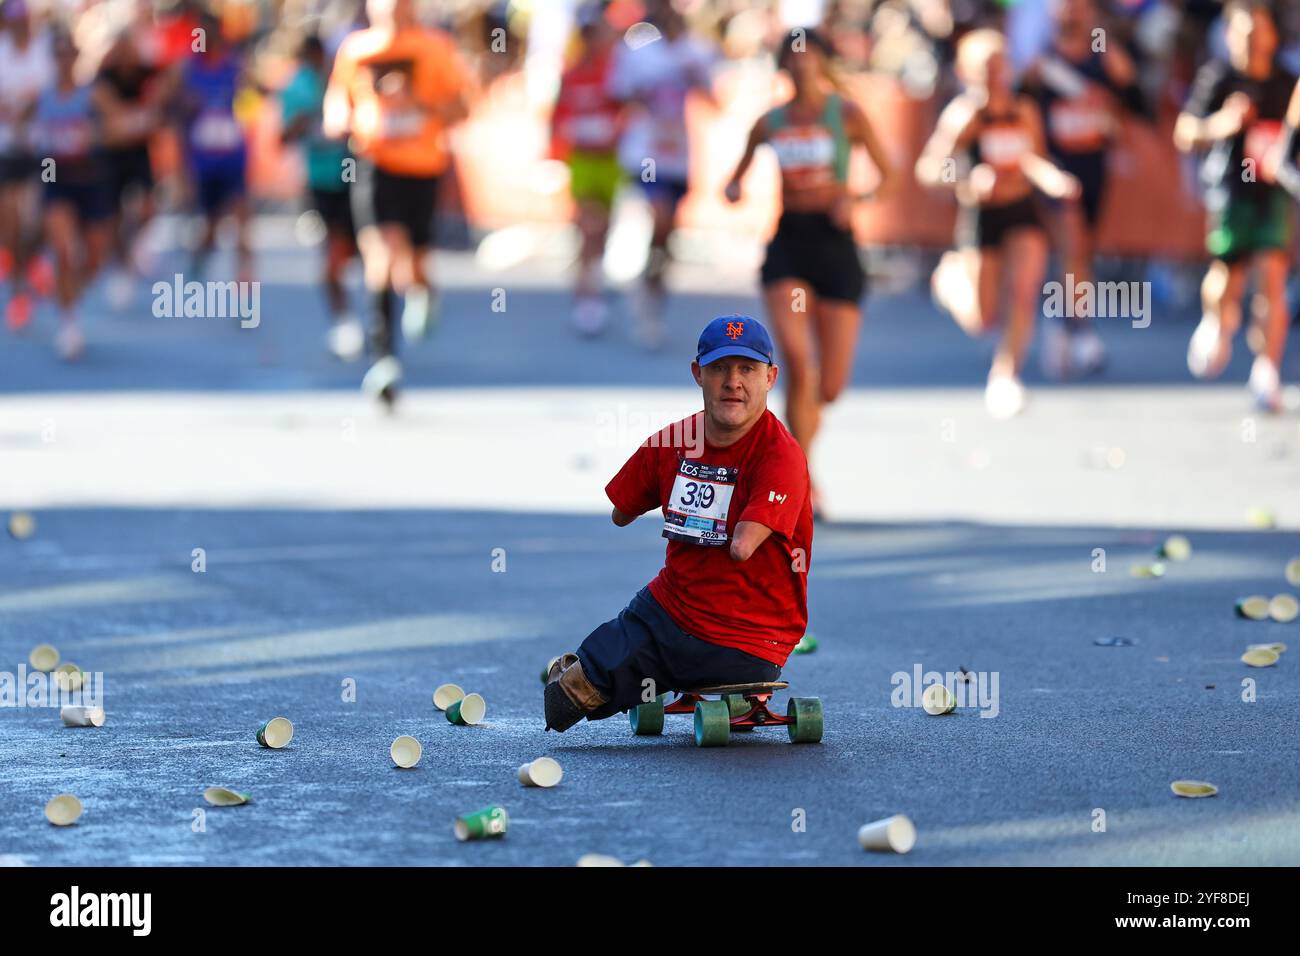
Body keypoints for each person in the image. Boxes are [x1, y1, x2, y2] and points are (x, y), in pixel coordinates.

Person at [544, 314, 813, 732]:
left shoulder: (780, 455)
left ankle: (661, 678)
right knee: (561, 701)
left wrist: (695, 489)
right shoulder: (674, 441)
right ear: (697, 374)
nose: (733, 381)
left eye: (747, 369)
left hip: (741, 639)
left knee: (571, 689)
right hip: (694, 629)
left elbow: (742, 547)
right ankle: (672, 679)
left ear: (770, 377)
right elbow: (621, 511)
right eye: (719, 369)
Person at [723, 29, 898, 518]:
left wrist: (855, 198)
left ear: (822, 60)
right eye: (792, 58)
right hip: (789, 245)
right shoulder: (770, 122)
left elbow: (890, 175)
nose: (801, 65)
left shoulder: (846, 114)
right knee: (798, 363)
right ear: (782, 66)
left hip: (836, 247)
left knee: (830, 386)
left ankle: (793, 460)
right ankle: (802, 478)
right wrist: (734, 187)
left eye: (809, 55)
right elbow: (734, 177)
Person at [916, 28, 1080, 419]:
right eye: (986, 67)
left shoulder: (1024, 110)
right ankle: (947, 277)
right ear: (969, 72)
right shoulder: (965, 115)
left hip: (1021, 211)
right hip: (983, 216)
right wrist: (967, 180)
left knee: (1024, 290)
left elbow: (1033, 158)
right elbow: (931, 168)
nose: (995, 74)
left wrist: (1053, 180)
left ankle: (1005, 377)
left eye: (1000, 65)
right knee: (982, 318)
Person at [323, 0, 470, 407]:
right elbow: (338, 98)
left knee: (414, 266)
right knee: (380, 254)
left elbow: (462, 108)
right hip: (374, 165)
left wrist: (421, 106)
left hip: (422, 169)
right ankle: (384, 356)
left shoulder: (436, 48)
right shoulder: (355, 49)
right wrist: (337, 120)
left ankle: (423, 291)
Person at [1175, 0, 1295, 413]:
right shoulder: (1218, 77)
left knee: (1271, 275)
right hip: (1230, 191)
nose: (1252, 41)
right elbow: (1184, 132)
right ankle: (1216, 320)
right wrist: (1220, 124)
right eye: (1243, 33)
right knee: (1227, 275)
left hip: (1273, 195)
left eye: (1258, 32)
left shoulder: (1287, 83)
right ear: (1228, 36)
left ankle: (1267, 368)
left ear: (1272, 36)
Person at [1021, 0, 1138, 378]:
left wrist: (1114, 104)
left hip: (1093, 168)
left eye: (1079, 8)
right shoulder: (1042, 59)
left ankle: (1060, 325)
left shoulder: (1104, 56)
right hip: (1057, 169)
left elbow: (1133, 103)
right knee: (1072, 247)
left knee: (1081, 253)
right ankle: (1081, 331)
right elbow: (1020, 108)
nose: (1072, 14)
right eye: (1065, 8)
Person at [607, 0, 717, 349]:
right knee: (659, 217)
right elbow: (617, 97)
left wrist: (695, 78)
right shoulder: (636, 49)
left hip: (678, 156)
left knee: (666, 235)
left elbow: (713, 99)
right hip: (645, 153)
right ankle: (635, 280)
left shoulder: (698, 50)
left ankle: (651, 291)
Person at [30, 29, 114, 360]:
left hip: (91, 182)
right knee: (64, 251)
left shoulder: (93, 95)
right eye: (58, 55)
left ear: (77, 58)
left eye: (70, 54)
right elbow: (23, 129)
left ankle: (68, 297)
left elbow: (117, 125)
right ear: (52, 59)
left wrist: (95, 135)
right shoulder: (41, 97)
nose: (64, 61)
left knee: (93, 259)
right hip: (56, 180)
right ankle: (69, 323)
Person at [282, 33, 363, 361]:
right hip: (323, 184)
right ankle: (344, 322)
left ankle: (375, 319)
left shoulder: (346, 79)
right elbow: (284, 136)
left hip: (356, 177)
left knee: (368, 251)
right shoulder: (297, 88)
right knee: (334, 253)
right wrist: (305, 122)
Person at [162, 12, 254, 284]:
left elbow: (252, 102)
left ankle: (245, 292)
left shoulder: (235, 66)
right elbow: (168, 109)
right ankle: (200, 257)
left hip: (232, 159)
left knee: (242, 227)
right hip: (203, 162)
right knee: (211, 228)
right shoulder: (186, 70)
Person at [550, 3, 622, 337]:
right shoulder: (571, 75)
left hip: (611, 161)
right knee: (589, 225)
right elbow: (557, 117)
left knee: (602, 229)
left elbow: (630, 110)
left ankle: (594, 279)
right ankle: (586, 297)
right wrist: (553, 156)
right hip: (582, 160)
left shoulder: (617, 73)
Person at [96, 25, 164, 308]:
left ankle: (135, 246)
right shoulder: (105, 77)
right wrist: (136, 121)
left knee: (149, 207)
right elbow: (111, 120)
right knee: (113, 217)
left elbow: (163, 96)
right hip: (112, 156)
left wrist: (135, 123)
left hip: (138, 153)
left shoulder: (146, 73)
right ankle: (121, 268)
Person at [0, 0, 54, 333]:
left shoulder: (44, 52)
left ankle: (33, 262)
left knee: (38, 218)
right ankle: (19, 294)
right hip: (6, 151)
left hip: (42, 153)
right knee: (10, 226)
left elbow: (50, 95)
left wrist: (30, 108)